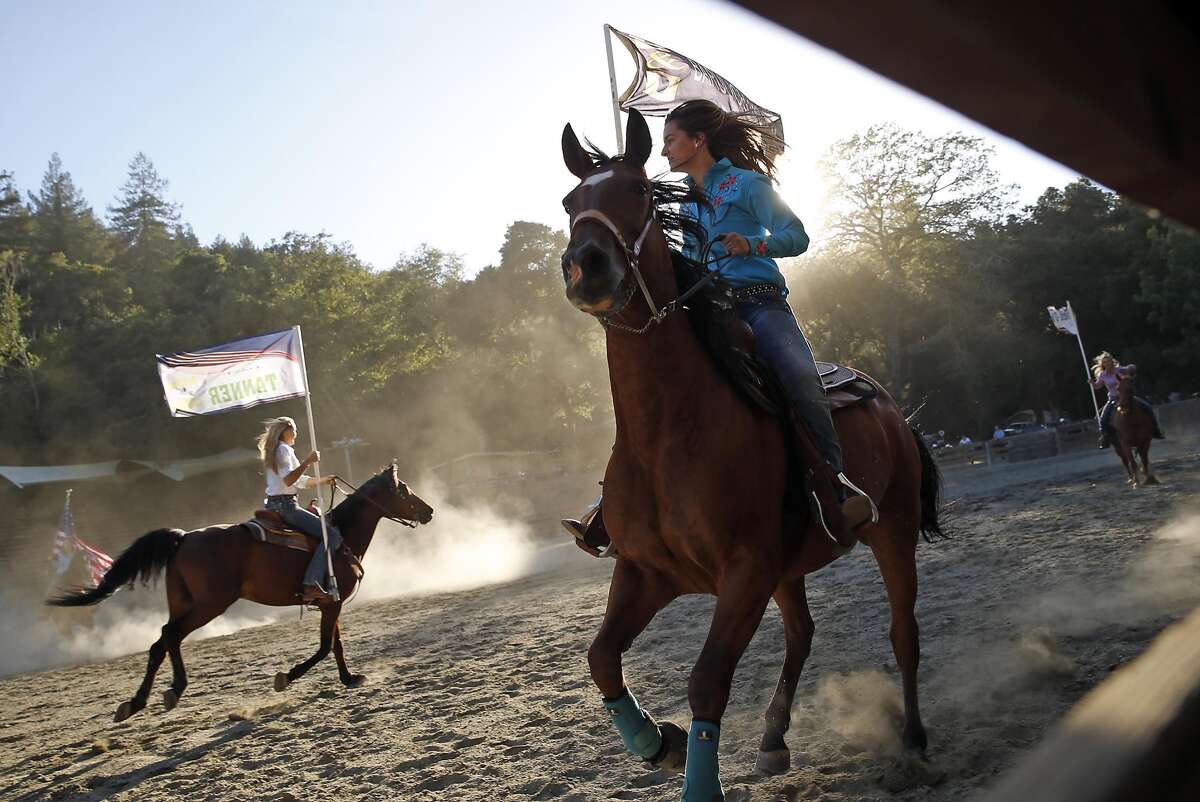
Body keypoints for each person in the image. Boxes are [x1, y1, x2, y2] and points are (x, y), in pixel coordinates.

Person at [563, 99, 874, 552]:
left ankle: (836, 484)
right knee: (649, 390)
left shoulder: (749, 185)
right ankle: (612, 504)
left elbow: (797, 235)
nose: (665, 150)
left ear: (698, 140)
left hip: (760, 306)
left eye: (671, 140)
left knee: (798, 375)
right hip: (704, 309)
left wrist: (752, 245)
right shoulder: (685, 203)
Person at [255, 416, 340, 603]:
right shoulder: (283, 450)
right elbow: (289, 480)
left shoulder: (278, 450)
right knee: (331, 536)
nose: (296, 434)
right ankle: (311, 583)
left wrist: (323, 480)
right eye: (293, 430)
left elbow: (300, 481)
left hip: (275, 504)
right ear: (285, 431)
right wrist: (308, 461)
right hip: (287, 507)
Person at [1091, 351, 1165, 448]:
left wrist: (1131, 368)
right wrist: (1092, 383)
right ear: (1102, 364)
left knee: (1147, 407)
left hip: (1126, 396)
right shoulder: (1103, 375)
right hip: (1113, 398)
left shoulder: (1119, 370)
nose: (1107, 364)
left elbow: (1131, 368)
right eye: (1105, 362)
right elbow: (1098, 386)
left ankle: (1156, 430)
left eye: (1109, 361)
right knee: (1103, 419)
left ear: (1112, 362)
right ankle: (1105, 438)